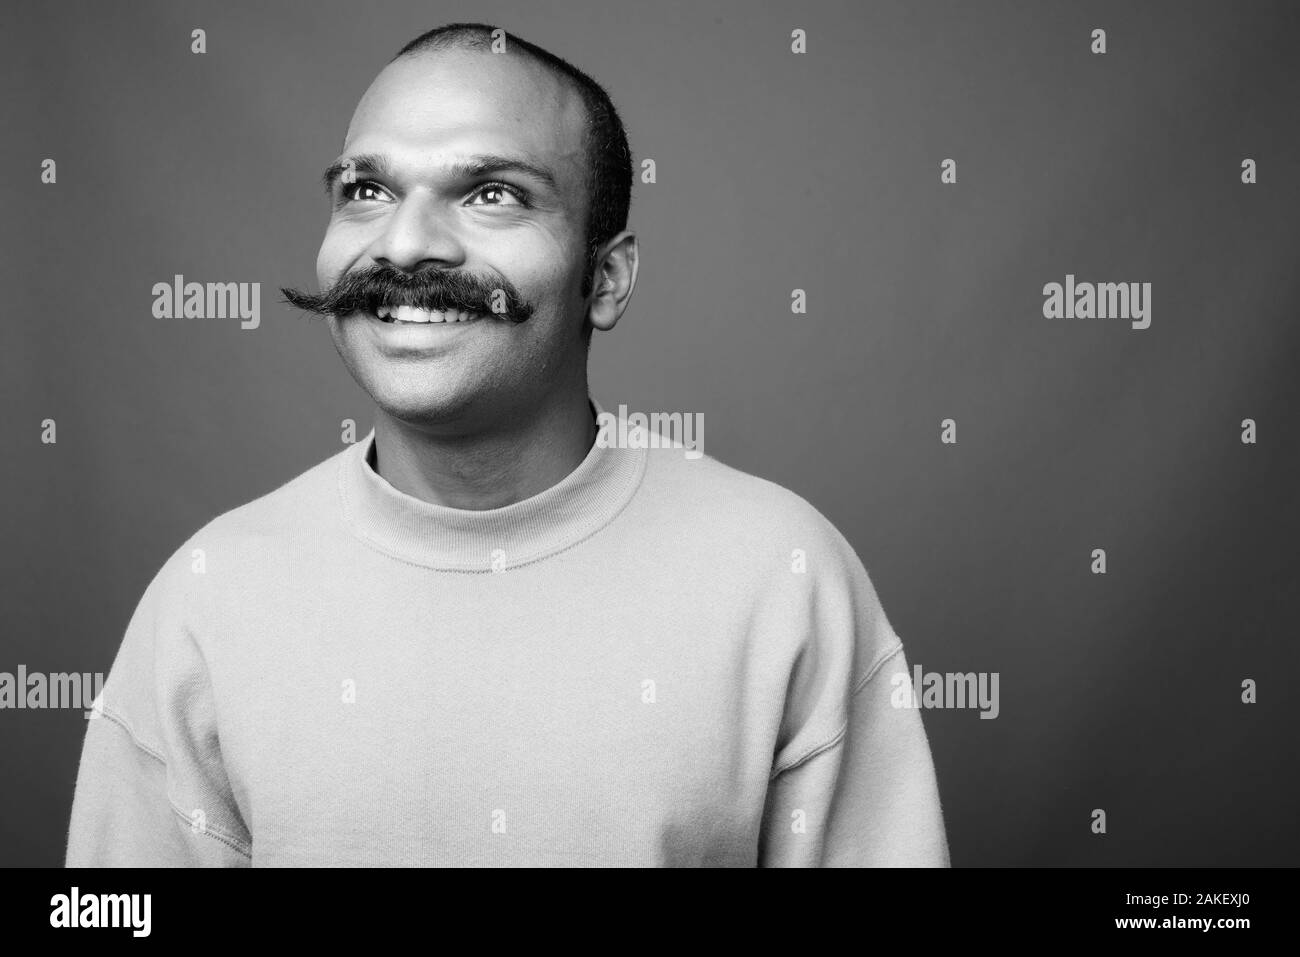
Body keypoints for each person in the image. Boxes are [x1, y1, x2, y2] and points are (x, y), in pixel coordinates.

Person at [66, 22, 950, 867]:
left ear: (604, 279)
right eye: (366, 191)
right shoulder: (207, 597)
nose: (406, 242)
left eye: (493, 194)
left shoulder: (784, 575)